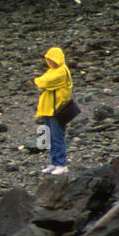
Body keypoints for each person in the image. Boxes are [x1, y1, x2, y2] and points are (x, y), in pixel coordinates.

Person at [34, 46, 73, 175]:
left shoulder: (61, 71)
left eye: (51, 59)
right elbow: (42, 80)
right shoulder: (52, 70)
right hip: (49, 110)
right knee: (49, 137)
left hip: (58, 110)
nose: (49, 62)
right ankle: (53, 162)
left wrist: (39, 81)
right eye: (48, 59)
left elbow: (44, 82)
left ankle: (61, 164)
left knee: (57, 137)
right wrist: (40, 81)